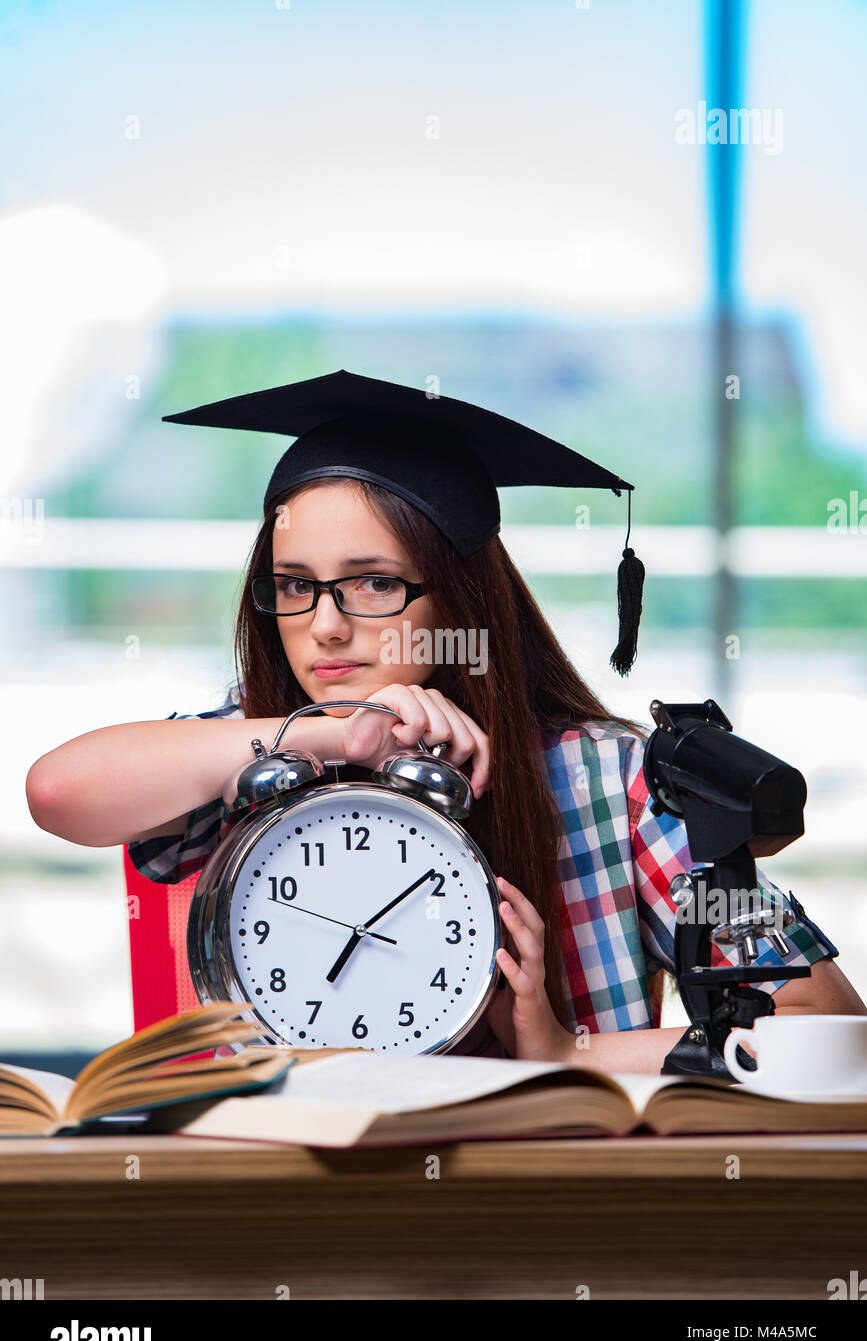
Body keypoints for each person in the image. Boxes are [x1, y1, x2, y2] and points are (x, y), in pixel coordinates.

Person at [26, 371, 865, 1070]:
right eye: (293, 584)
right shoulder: (253, 749)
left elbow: (823, 1028)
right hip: (284, 1209)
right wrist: (332, 731)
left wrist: (568, 1055)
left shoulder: (615, 783)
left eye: (374, 583)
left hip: (548, 1213)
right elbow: (60, 791)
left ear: (460, 598)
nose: (323, 625)